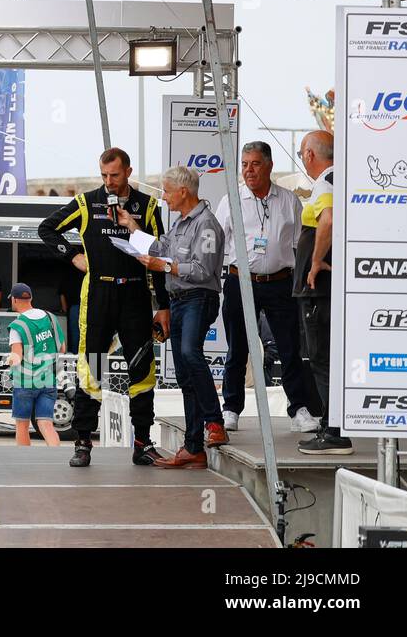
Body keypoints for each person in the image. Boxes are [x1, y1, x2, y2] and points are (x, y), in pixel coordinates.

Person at [39, 146, 169, 468]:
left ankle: (142, 442)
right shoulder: (87, 202)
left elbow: (160, 257)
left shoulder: (148, 206)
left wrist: (163, 305)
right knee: (92, 368)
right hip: (98, 294)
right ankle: (83, 442)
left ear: (128, 172)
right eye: (104, 175)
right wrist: (72, 255)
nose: (109, 181)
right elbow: (47, 228)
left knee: (141, 369)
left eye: (114, 175)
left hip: (135, 296)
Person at [121, 166, 227, 468]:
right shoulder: (180, 223)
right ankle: (193, 447)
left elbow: (204, 270)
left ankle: (214, 422)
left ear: (183, 191)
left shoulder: (206, 224)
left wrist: (165, 268)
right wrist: (132, 227)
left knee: (189, 354)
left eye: (167, 191)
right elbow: (159, 248)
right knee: (183, 371)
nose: (164, 198)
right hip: (180, 300)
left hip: (198, 297)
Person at [214, 142, 320, 435]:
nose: (248, 170)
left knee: (289, 348)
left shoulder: (288, 200)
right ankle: (231, 409)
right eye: (245, 164)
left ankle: (298, 410)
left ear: (269, 165)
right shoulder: (231, 199)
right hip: (240, 281)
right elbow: (217, 241)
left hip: (279, 282)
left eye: (255, 164)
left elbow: (302, 245)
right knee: (238, 348)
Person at [294, 130, 352, 455]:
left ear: (311, 155)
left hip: (320, 289)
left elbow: (328, 219)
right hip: (324, 290)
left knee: (321, 358)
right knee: (324, 357)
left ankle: (334, 431)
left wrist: (315, 262)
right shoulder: (336, 178)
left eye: (302, 152)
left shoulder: (326, 180)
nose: (302, 157)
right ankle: (332, 427)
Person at [7, 283, 65, 447]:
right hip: (48, 380)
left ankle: (25, 463)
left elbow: (17, 357)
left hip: (25, 382)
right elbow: (62, 347)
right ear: (30, 298)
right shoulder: (50, 317)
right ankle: (57, 457)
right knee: (45, 424)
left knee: (22, 425)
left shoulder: (18, 325)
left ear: (15, 300)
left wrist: (9, 360)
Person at [58, 264, 82, 356]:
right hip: (86, 307)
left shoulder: (67, 277)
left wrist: (65, 311)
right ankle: (85, 355)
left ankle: (76, 354)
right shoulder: (85, 275)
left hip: (74, 308)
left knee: (75, 332)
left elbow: (62, 294)